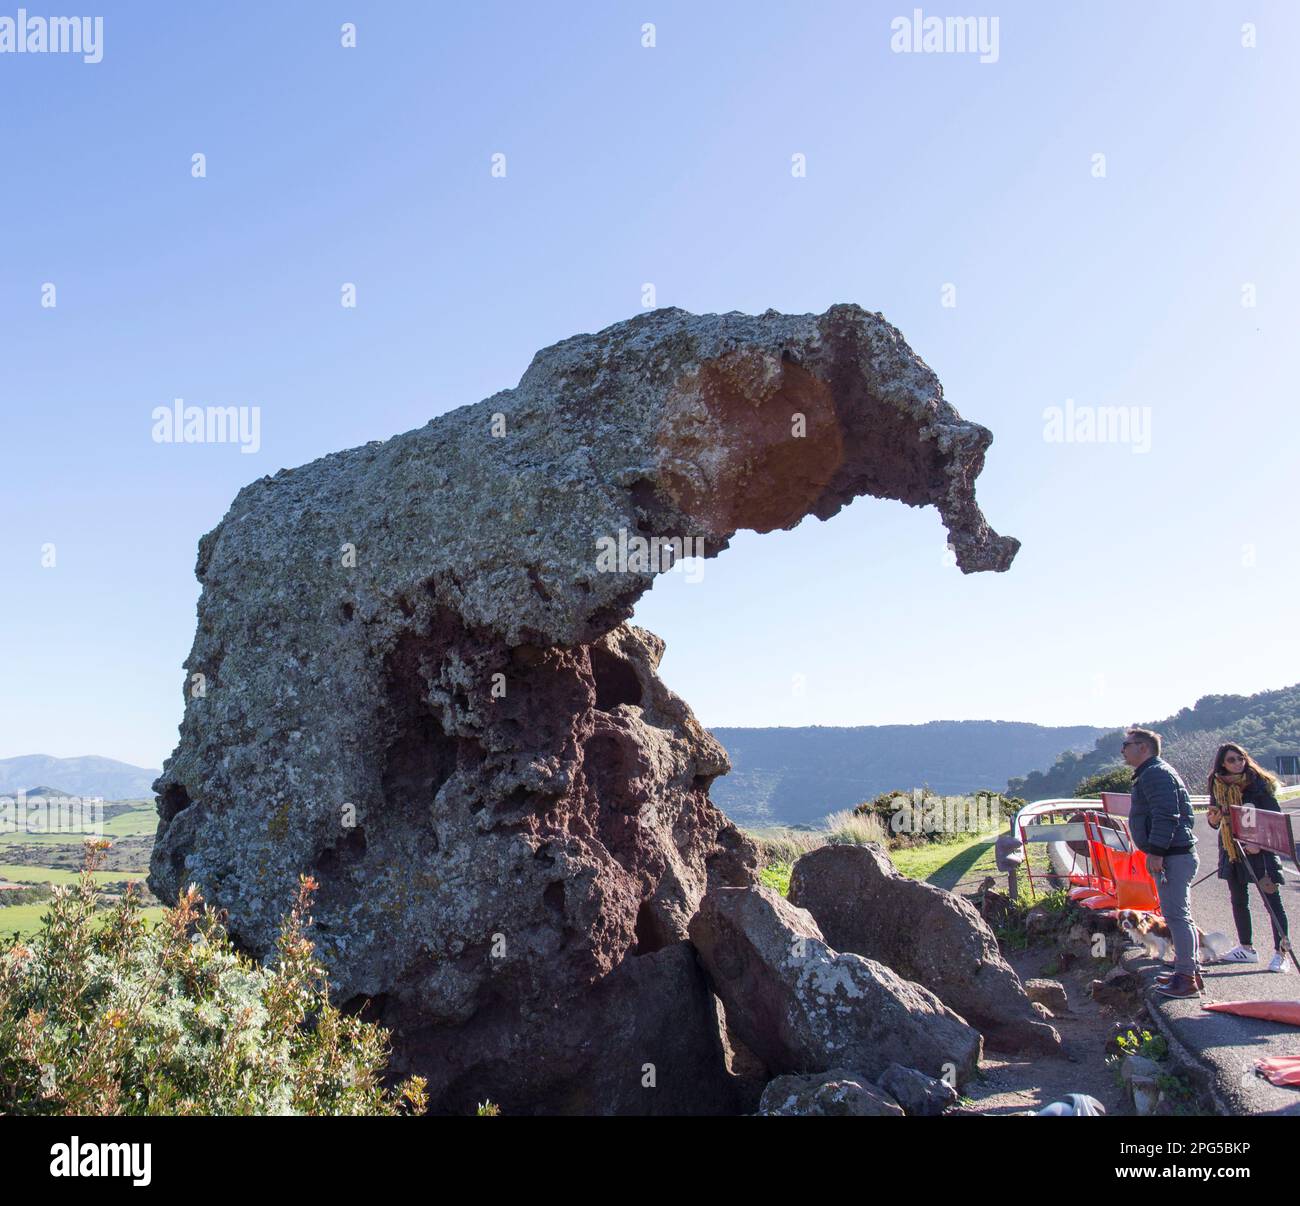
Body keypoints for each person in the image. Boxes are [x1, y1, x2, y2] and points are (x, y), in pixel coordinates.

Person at [1123, 727, 1201, 997]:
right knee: (1178, 915)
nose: (1123, 750)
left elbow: (1166, 814)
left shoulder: (1155, 773)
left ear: (1143, 747)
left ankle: (1186, 977)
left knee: (1177, 917)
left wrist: (1156, 851)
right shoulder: (1153, 772)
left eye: (1127, 744)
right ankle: (1188, 971)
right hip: (1174, 853)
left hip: (1172, 855)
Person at [1206, 742, 1291, 973]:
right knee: (1238, 900)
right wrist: (1213, 821)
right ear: (1222, 763)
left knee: (1272, 902)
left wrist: (1259, 843)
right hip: (1231, 848)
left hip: (1260, 852)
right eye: (1232, 760)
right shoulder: (1217, 785)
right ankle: (1246, 948)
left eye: (1241, 758)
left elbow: (1274, 819)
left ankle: (1282, 954)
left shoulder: (1258, 784)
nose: (1238, 763)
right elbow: (1215, 818)